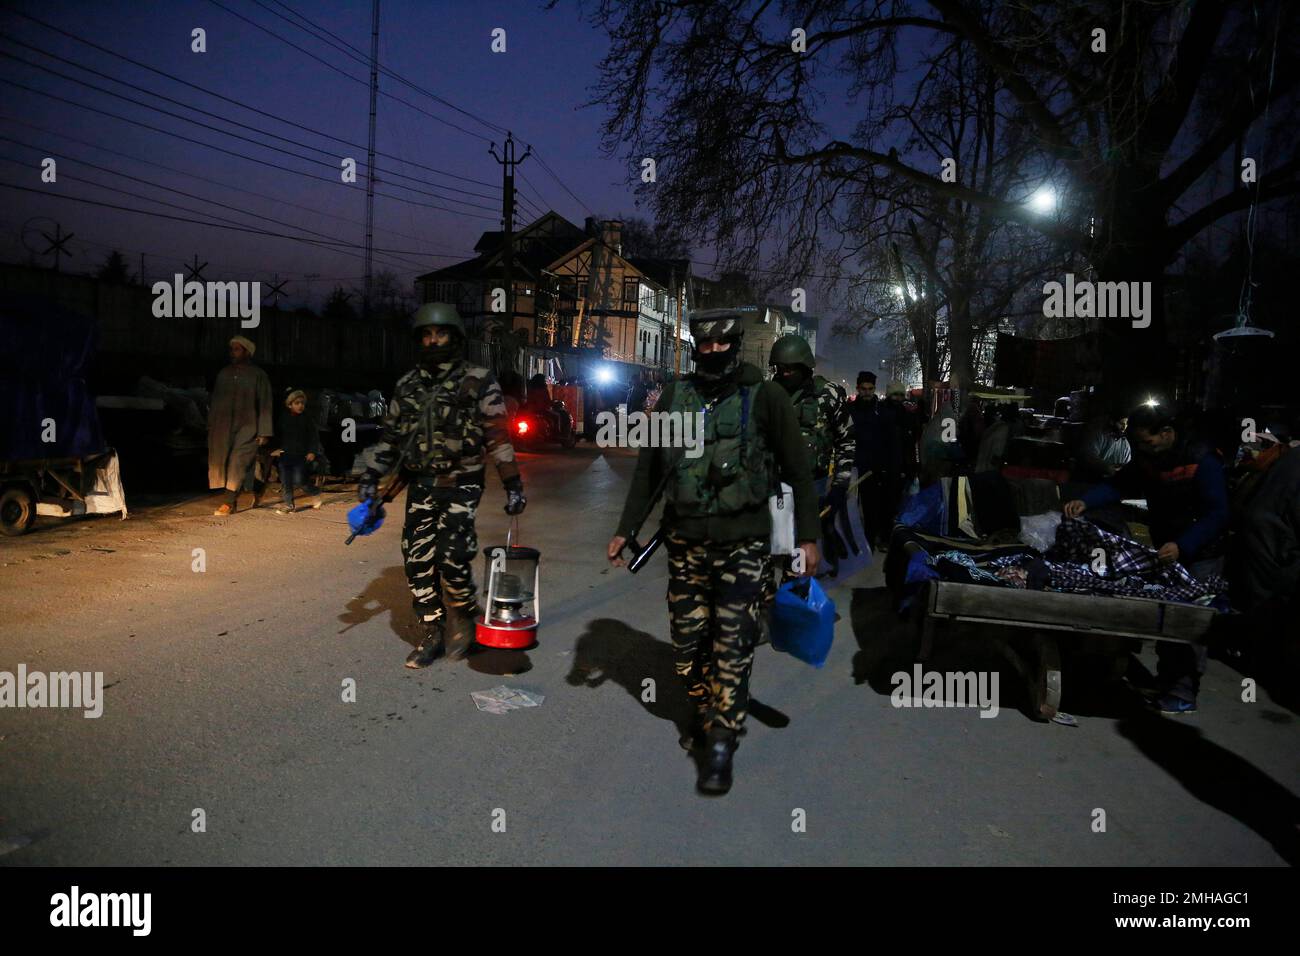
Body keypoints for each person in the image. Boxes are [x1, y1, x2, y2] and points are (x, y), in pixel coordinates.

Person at [606, 308, 819, 796]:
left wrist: (807, 538)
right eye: (706, 345)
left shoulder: (764, 398)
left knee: (731, 643)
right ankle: (705, 707)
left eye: (723, 345)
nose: (714, 353)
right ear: (695, 348)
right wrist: (626, 528)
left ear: (736, 346)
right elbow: (647, 473)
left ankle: (721, 739)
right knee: (686, 648)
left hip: (743, 543)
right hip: (685, 545)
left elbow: (799, 472)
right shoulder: (676, 398)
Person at [359, 304, 526, 668]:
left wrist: (512, 483)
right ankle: (432, 628)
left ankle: (463, 612)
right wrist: (371, 478)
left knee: (452, 554)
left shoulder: (479, 380)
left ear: (455, 337)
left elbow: (497, 436)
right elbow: (389, 439)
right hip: (421, 483)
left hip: (463, 481)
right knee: (417, 558)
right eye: (427, 335)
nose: (434, 340)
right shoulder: (407, 385)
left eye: (441, 333)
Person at [1062, 403, 1229, 714]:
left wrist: (1184, 545)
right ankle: (1167, 684)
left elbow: (1217, 513)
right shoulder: (1149, 459)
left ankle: (1182, 693)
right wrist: (1084, 502)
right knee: (1168, 617)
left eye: (1146, 441)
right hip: (1168, 548)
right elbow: (1118, 485)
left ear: (1166, 433)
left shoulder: (1201, 459)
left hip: (1202, 551)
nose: (1141, 448)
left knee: (1189, 621)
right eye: (1138, 443)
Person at [764, 333, 854, 590]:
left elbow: (847, 443)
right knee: (766, 559)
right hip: (772, 488)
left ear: (805, 367)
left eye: (790, 368)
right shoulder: (768, 394)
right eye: (780, 368)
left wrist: (839, 486)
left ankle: (793, 604)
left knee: (799, 559)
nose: (784, 373)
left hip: (810, 489)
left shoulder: (828, 395)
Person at [208, 335, 273, 516]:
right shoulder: (224, 374)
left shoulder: (258, 375)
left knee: (238, 461)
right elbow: (215, 400)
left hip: (249, 426)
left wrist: (265, 431)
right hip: (224, 426)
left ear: (246, 352)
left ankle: (229, 503)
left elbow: (265, 404)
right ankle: (257, 489)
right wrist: (211, 424)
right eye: (232, 349)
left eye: (237, 349)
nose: (233, 353)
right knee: (224, 461)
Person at [848, 370, 901, 549]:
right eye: (863, 389)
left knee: (872, 510)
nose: (867, 392)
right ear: (858, 389)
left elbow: (891, 443)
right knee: (851, 509)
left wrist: (888, 467)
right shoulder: (850, 411)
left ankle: (868, 543)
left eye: (870, 389)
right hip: (853, 467)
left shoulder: (883, 413)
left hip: (874, 469)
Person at [271, 389, 323, 515]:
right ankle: (289, 505)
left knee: (300, 480)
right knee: (286, 481)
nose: (300, 405)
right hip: (285, 455)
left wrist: (312, 451)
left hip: (301, 456)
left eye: (302, 403)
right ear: (290, 404)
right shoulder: (283, 418)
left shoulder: (307, 418)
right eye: (297, 403)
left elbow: (313, 437)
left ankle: (315, 492)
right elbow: (278, 435)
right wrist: (274, 449)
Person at [1076, 410, 1131, 481]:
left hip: (1114, 482)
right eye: (1121, 423)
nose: (1124, 427)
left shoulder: (1125, 444)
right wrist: (1108, 468)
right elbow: (1088, 457)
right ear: (1112, 422)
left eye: (1126, 424)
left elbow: (1126, 465)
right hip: (1092, 479)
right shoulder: (1098, 435)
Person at [974, 403, 1024, 474]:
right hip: (990, 470)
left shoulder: (996, 426)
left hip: (983, 468)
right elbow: (997, 452)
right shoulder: (1003, 428)